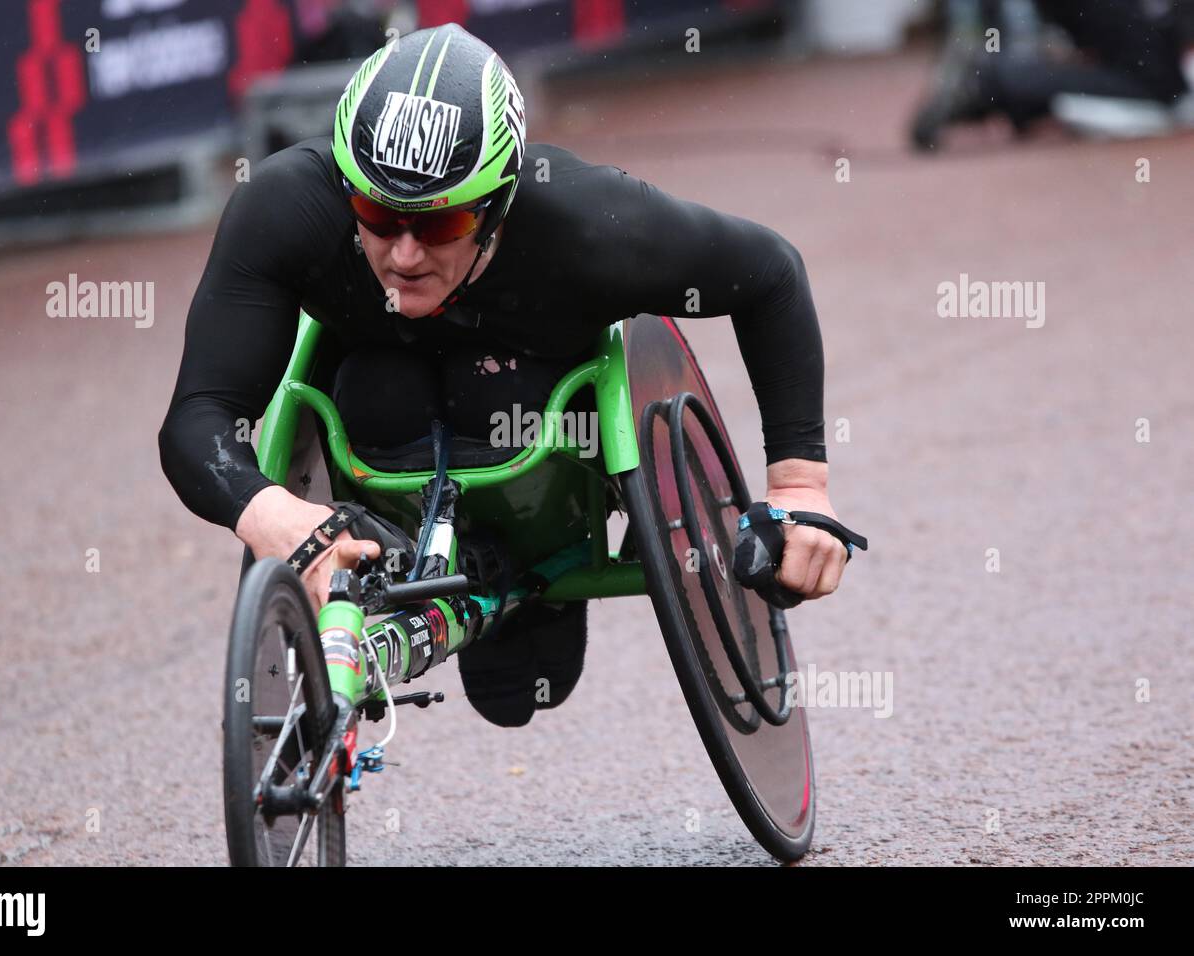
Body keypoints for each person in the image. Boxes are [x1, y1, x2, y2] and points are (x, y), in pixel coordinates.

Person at [159, 23, 852, 728]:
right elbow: (198, 417)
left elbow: (771, 274)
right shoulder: (284, 209)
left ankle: (535, 577)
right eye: (375, 213)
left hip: (541, 432)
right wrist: (272, 513)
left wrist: (801, 488)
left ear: (497, 206)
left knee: (520, 686)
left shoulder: (596, 225)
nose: (401, 256)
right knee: (378, 395)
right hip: (378, 431)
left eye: (439, 225)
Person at [911, 0, 1194, 150]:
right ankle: (990, 81)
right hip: (1149, 71)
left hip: (1142, 55)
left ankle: (1001, 87)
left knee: (1151, 86)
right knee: (1155, 91)